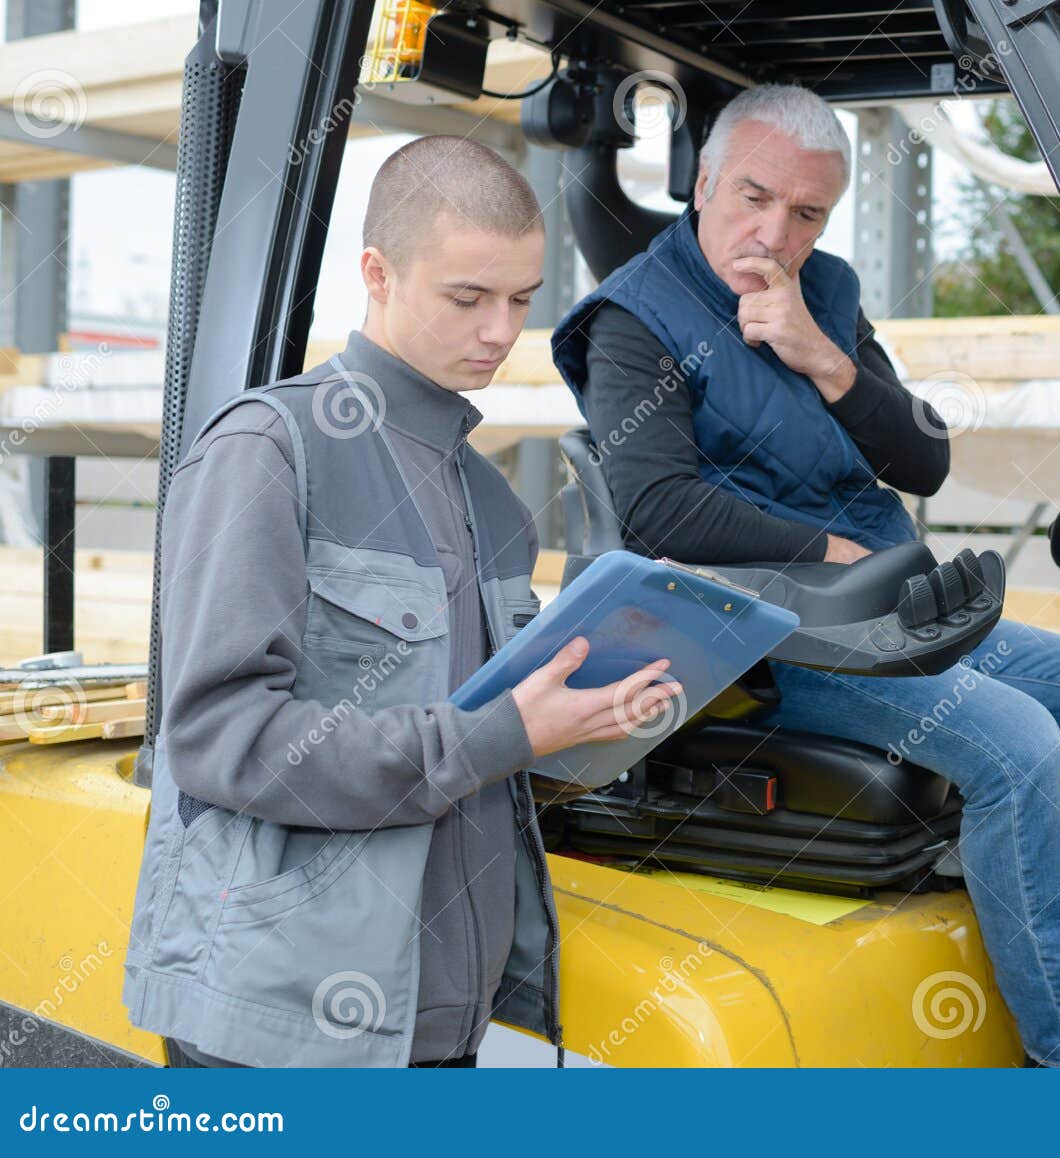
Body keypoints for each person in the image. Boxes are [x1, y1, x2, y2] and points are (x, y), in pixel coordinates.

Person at [552, 86, 1060, 1068]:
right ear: (702, 183)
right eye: (753, 197)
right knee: (1017, 745)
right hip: (779, 635)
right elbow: (659, 507)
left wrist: (821, 357)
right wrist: (825, 554)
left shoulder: (820, 294)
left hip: (890, 615)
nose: (773, 232)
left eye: (805, 214)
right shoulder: (636, 322)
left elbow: (921, 461)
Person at [123, 135, 679, 1068]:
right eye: (468, 298)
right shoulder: (272, 451)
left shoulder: (493, 501)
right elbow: (223, 739)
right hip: (281, 1027)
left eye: (520, 300)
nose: (501, 331)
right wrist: (502, 733)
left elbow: (491, 740)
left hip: (439, 1023)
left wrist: (599, 712)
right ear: (377, 274)